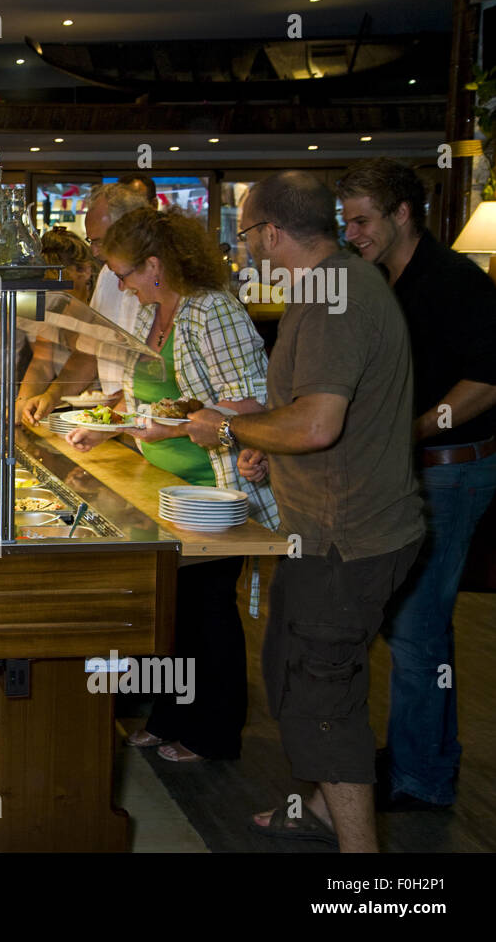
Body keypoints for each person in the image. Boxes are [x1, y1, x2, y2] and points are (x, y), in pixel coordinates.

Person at [185, 171, 424, 852]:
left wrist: (231, 432)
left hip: (348, 535)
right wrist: (266, 438)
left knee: (325, 701)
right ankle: (321, 807)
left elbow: (318, 425)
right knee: (290, 668)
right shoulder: (326, 285)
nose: (246, 247)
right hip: (323, 528)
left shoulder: (336, 299)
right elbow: (306, 413)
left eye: (247, 233)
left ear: (272, 232)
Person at [65, 206, 278, 763]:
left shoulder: (215, 312)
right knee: (170, 607)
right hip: (160, 479)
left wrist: (175, 425)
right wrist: (106, 422)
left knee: (208, 610)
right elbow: (146, 398)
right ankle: (170, 716)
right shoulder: (148, 315)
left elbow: (251, 401)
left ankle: (214, 734)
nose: (118, 284)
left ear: (155, 265)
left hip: (217, 487)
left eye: (124, 273)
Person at [337, 158, 496, 811]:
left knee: (417, 626)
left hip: (450, 472)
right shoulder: (383, 279)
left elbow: (487, 383)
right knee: (404, 622)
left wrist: (415, 429)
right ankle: (414, 752)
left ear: (402, 213)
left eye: (362, 220)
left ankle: (423, 779)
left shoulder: (456, 280)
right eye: (347, 221)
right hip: (407, 472)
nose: (353, 233)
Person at [17, 182, 147, 424]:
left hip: (141, 421)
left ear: (130, 230)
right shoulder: (109, 277)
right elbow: (89, 352)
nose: (95, 252)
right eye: (91, 241)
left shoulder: (160, 283)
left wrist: (115, 414)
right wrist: (51, 395)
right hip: (118, 419)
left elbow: (159, 371)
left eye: (100, 241)